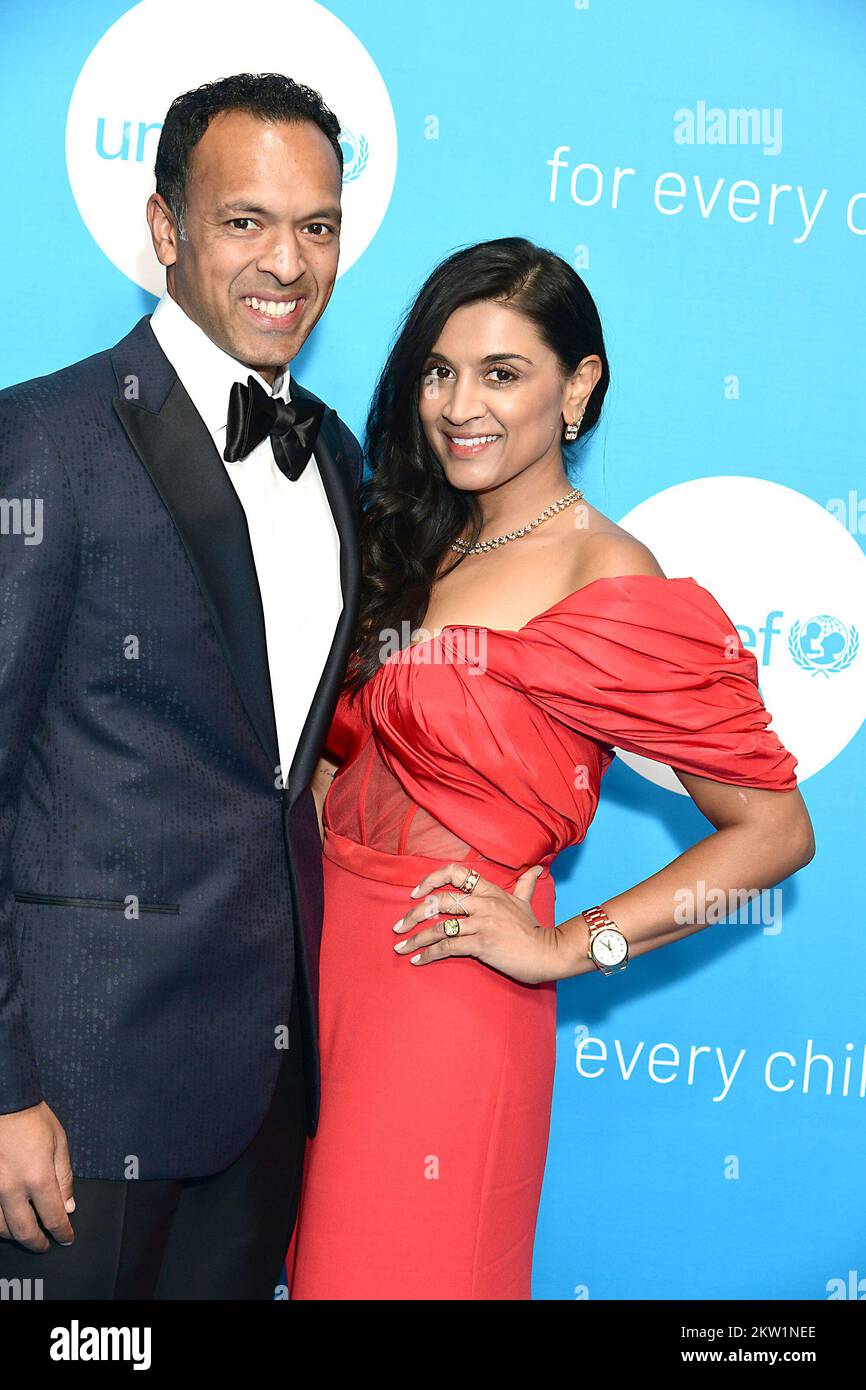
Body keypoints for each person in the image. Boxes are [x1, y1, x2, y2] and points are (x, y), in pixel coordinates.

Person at [287, 236, 816, 1300]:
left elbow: (773, 831)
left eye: (500, 372)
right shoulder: (417, 537)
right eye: (438, 371)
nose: (456, 405)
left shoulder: (606, 573)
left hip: (442, 999)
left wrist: (573, 944)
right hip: (311, 970)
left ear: (577, 388)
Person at [0, 73, 362, 1299]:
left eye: (316, 225)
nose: (288, 261)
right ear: (166, 231)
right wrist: (2, 1091)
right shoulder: (45, 439)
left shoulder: (336, 454)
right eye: (243, 220)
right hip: (73, 1098)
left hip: (262, 1090)